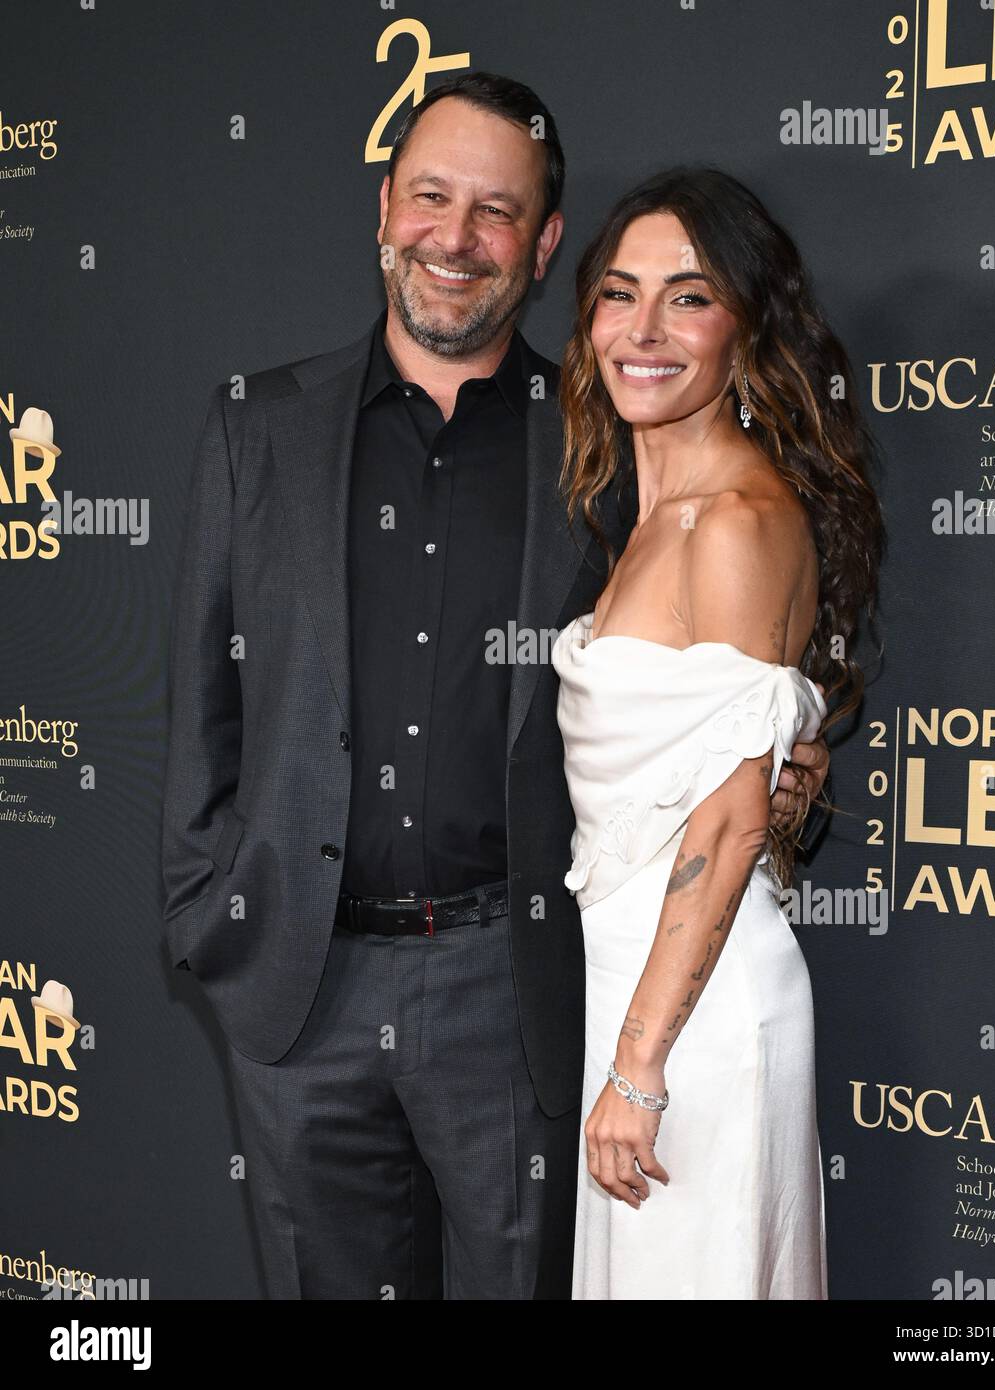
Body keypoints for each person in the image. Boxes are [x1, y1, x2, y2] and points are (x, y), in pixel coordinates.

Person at [159, 76, 832, 1301]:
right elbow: (205, 704)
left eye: (495, 212)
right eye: (432, 198)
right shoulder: (256, 429)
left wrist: (792, 766)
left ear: (540, 244)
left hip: (516, 994)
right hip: (298, 993)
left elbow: (745, 666)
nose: (456, 239)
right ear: (384, 210)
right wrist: (210, 913)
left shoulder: (600, 445)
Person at [552, 167, 883, 1299]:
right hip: (636, 998)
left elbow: (736, 813)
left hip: (690, 1021)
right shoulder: (643, 520)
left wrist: (639, 1067)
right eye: (617, 292)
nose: (641, 329)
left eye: (687, 297)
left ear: (746, 327)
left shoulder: (739, 521)